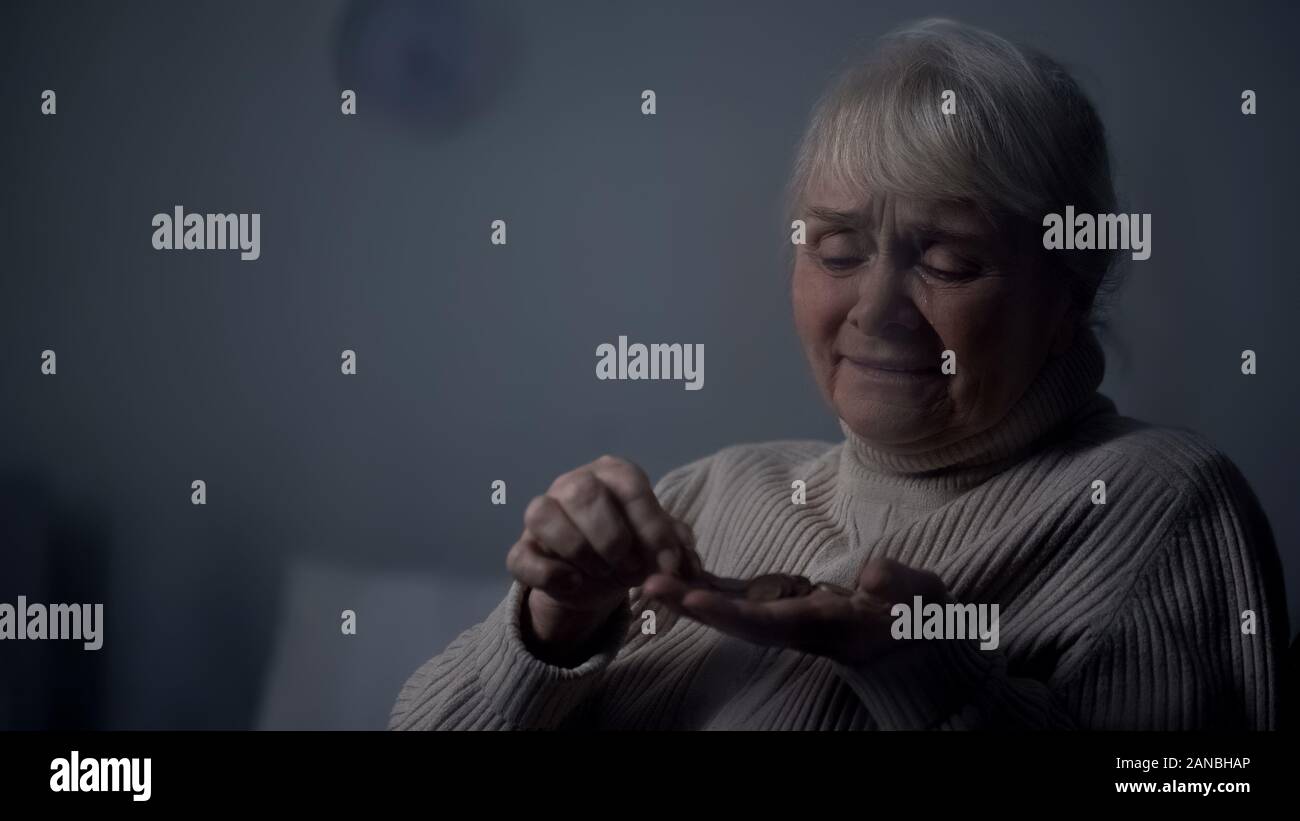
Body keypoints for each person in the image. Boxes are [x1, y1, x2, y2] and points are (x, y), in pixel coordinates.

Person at [389, 18, 1288, 730]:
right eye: (837, 248)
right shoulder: (710, 494)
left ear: (1068, 290)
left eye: (950, 259)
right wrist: (552, 628)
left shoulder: (1161, 503)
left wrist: (927, 675)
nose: (877, 307)